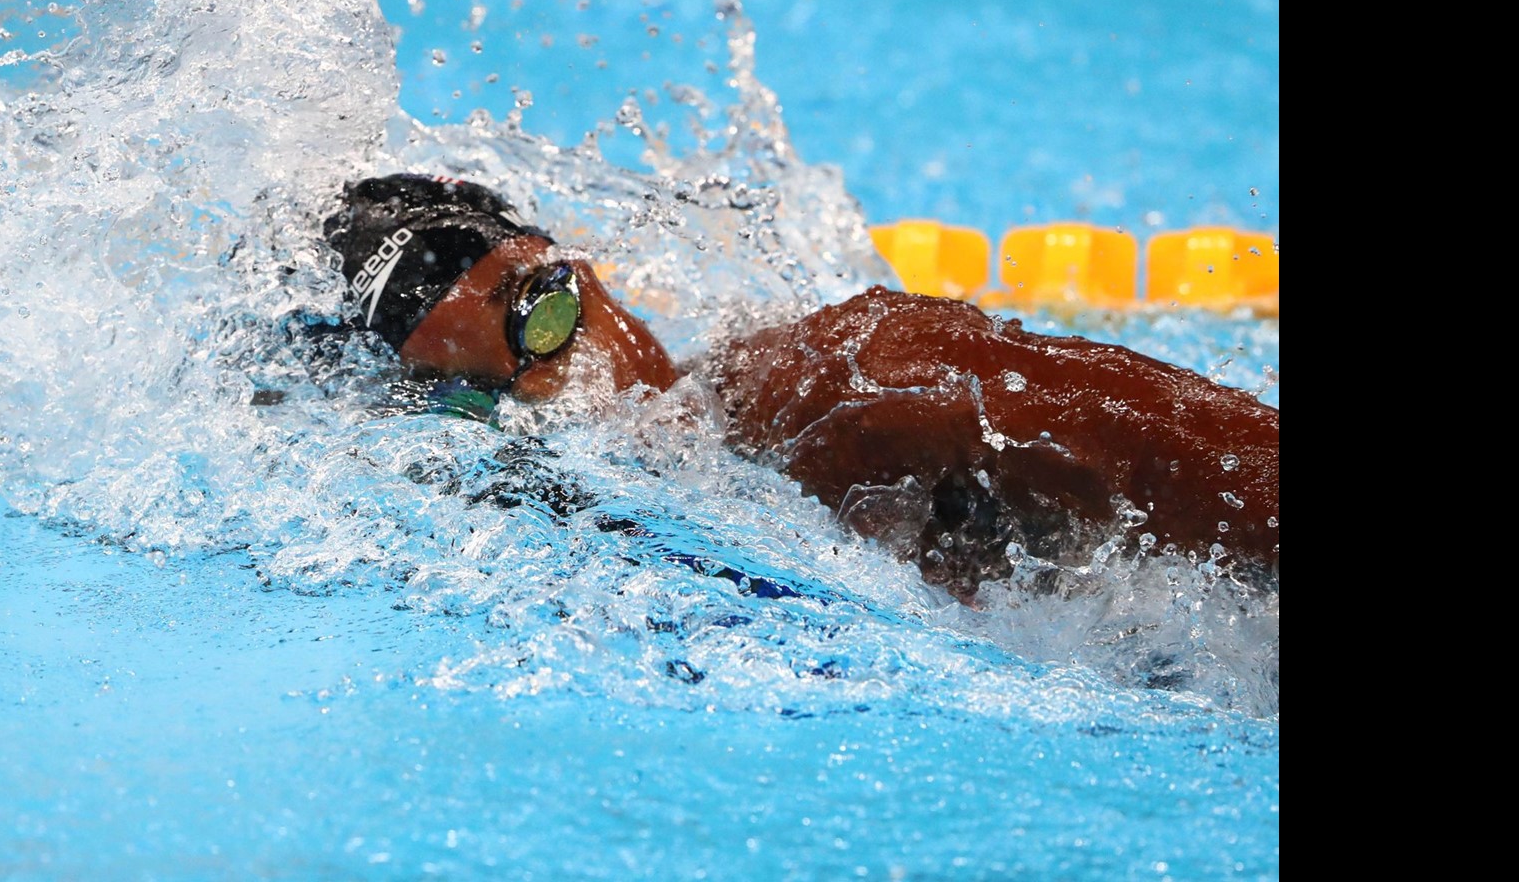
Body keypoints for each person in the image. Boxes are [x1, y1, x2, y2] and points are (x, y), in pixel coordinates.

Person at [323, 174, 1278, 604]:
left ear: (583, 275)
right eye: (478, 399)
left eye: (543, 316)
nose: (552, 387)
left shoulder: (857, 378)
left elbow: (1226, 458)